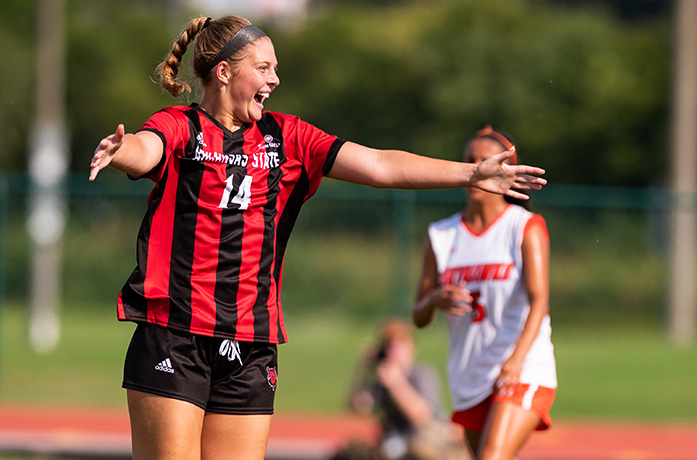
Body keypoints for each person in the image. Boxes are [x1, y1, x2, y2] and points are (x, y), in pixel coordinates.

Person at [87, 15, 545, 460]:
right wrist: (119, 150)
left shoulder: (288, 137)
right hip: (175, 332)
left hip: (251, 341)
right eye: (263, 68)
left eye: (276, 68)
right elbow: (147, 149)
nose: (275, 79)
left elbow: (380, 165)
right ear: (224, 73)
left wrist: (473, 173)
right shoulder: (179, 125)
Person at [412, 126, 556, 460]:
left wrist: (517, 360)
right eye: (470, 161)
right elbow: (418, 317)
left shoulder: (523, 227)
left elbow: (540, 301)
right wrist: (434, 299)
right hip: (470, 374)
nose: (477, 168)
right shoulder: (442, 234)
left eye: (486, 160)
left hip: (521, 368)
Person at [342, 319, 466, 460]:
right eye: (390, 346)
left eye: (400, 346)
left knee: (419, 452)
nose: (395, 352)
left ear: (412, 349)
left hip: (427, 443)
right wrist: (365, 368)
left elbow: (421, 416)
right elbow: (358, 405)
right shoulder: (381, 378)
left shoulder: (421, 374)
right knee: (353, 450)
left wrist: (396, 383)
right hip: (394, 443)